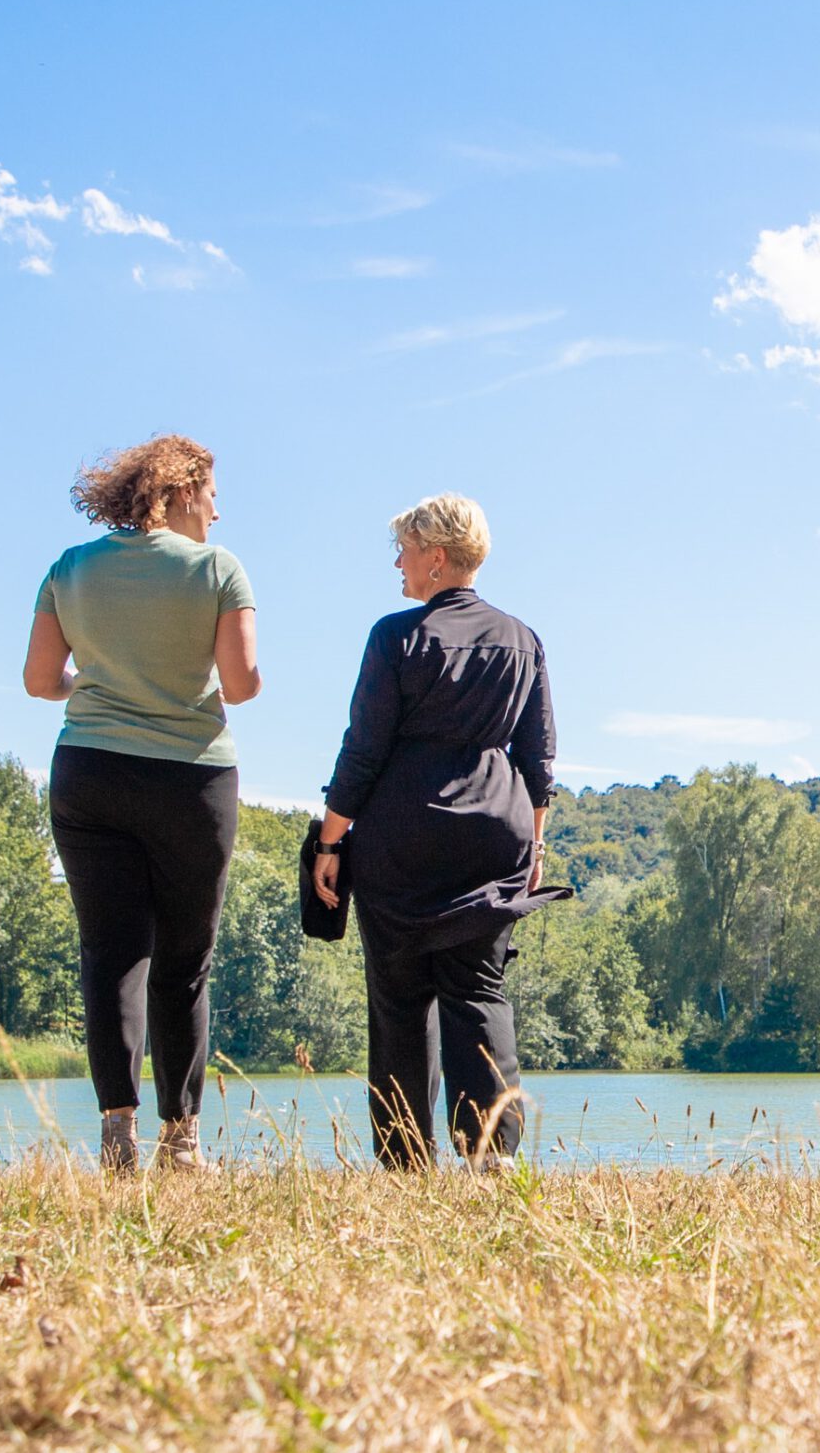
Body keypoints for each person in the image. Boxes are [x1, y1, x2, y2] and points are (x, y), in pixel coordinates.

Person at [23, 434, 259, 1173]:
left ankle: (116, 1131)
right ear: (183, 489)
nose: (218, 512)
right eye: (213, 494)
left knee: (110, 952)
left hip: (88, 770)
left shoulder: (70, 567)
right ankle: (181, 1141)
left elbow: (39, 680)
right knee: (184, 960)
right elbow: (243, 681)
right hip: (190, 778)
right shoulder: (219, 569)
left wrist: (91, 685)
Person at [312, 492, 565, 1169]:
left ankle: (404, 1161)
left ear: (437, 557)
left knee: (399, 997)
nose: (397, 562)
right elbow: (538, 758)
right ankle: (493, 1157)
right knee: (479, 988)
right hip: (495, 835)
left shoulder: (395, 637)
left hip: (403, 836)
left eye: (404, 548)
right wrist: (534, 843)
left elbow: (362, 748)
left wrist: (331, 840)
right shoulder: (524, 639)